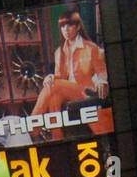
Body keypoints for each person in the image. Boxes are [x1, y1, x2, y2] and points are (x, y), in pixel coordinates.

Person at [28, 9, 112, 141]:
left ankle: (31, 129)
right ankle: (58, 139)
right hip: (67, 91)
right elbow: (60, 76)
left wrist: (103, 81)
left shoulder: (91, 48)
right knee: (54, 96)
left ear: (78, 27)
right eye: (62, 26)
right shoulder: (59, 52)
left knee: (54, 87)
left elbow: (102, 72)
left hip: (86, 91)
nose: (65, 29)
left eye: (69, 25)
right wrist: (51, 77)